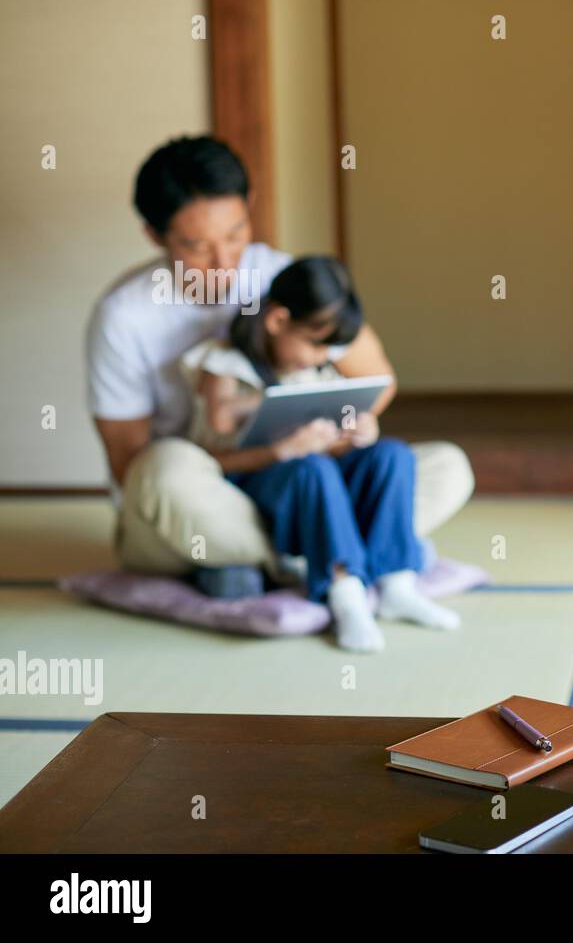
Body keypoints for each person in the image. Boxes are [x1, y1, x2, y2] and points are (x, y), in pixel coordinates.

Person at [85, 135, 474, 590]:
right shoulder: (123, 316)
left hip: (304, 484)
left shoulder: (283, 279)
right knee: (164, 471)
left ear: (250, 206)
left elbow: (376, 380)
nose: (223, 263)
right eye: (197, 246)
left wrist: (339, 432)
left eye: (235, 235)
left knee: (445, 467)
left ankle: (266, 558)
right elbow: (129, 465)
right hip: (204, 497)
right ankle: (352, 550)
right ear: (154, 235)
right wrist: (252, 454)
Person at [180, 256, 459, 651]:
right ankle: (345, 592)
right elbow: (211, 454)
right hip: (262, 482)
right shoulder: (225, 363)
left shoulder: (319, 367)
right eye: (315, 344)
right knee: (311, 468)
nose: (321, 357)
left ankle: (397, 581)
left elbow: (336, 441)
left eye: (329, 348)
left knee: (391, 455)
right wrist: (282, 448)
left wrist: (357, 431)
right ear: (277, 322)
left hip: (318, 479)